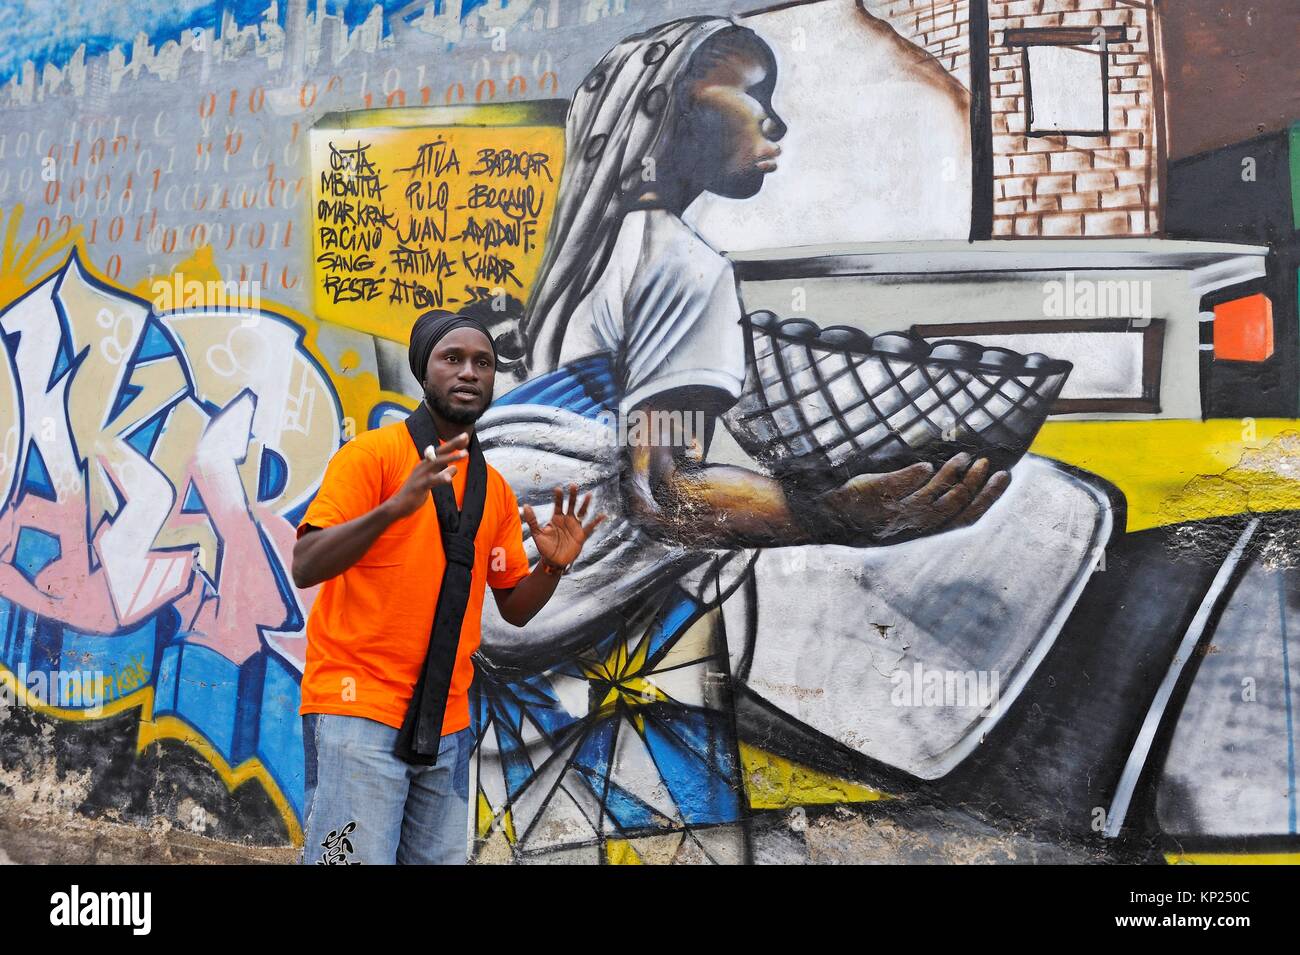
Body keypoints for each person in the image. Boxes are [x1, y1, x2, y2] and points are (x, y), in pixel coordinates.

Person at [466, 16, 1014, 862]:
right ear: (669, 113)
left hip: (523, 630)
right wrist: (835, 514)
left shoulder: (581, 258)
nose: (777, 123)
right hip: (637, 643)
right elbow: (662, 493)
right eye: (753, 94)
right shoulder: (682, 268)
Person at [291, 309, 606, 864]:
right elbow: (307, 563)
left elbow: (514, 609)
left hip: (447, 721)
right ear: (424, 371)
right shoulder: (373, 457)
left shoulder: (494, 490)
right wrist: (394, 509)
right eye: (452, 358)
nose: (468, 372)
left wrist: (553, 566)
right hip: (358, 710)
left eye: (482, 363)